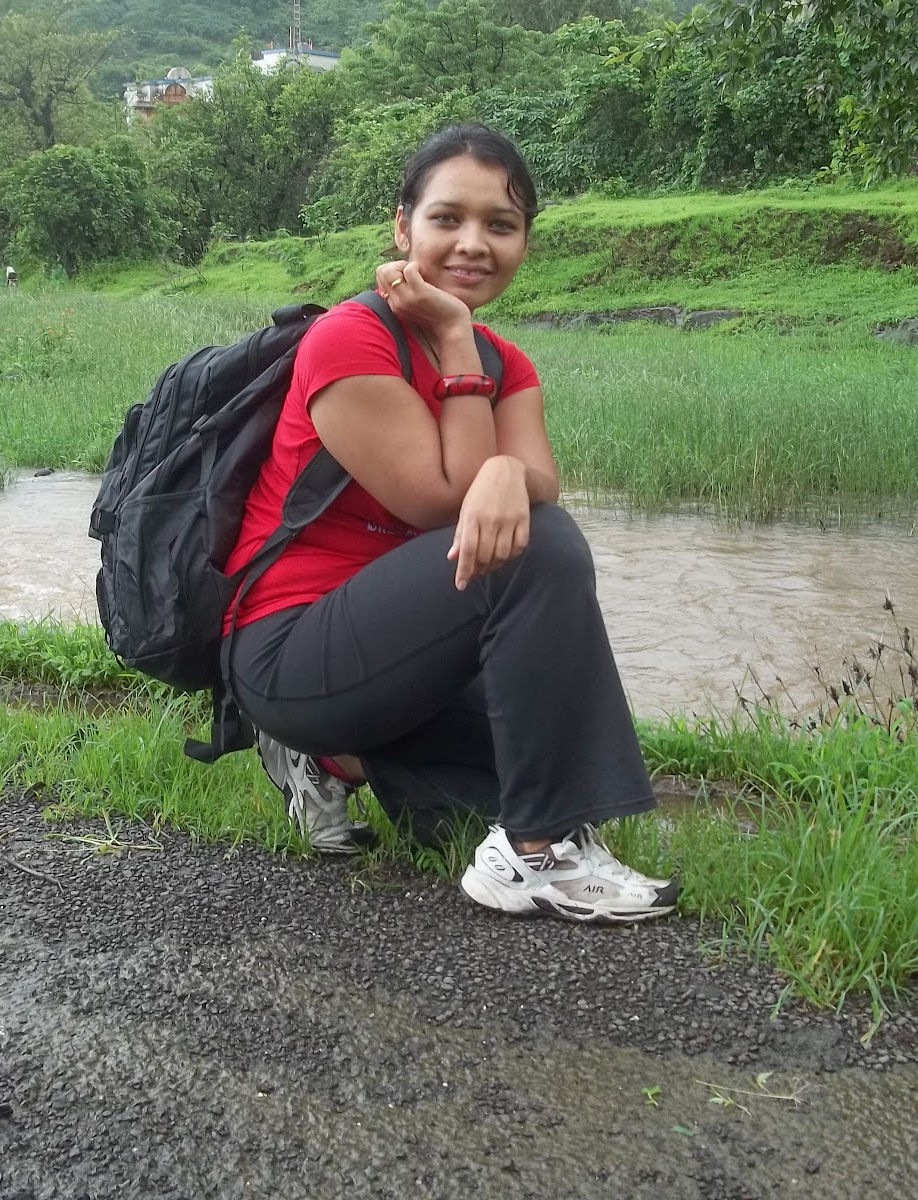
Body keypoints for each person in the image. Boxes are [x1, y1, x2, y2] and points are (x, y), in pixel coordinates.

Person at [222, 123, 678, 924]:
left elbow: (536, 479)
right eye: (447, 219)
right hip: (291, 649)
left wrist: (508, 470)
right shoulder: (351, 337)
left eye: (501, 224)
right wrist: (456, 343)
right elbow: (441, 503)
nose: (474, 244)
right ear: (402, 227)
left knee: (531, 755)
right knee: (540, 547)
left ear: (525, 241)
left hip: (399, 647)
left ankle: (334, 762)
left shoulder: (512, 363)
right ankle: (531, 856)